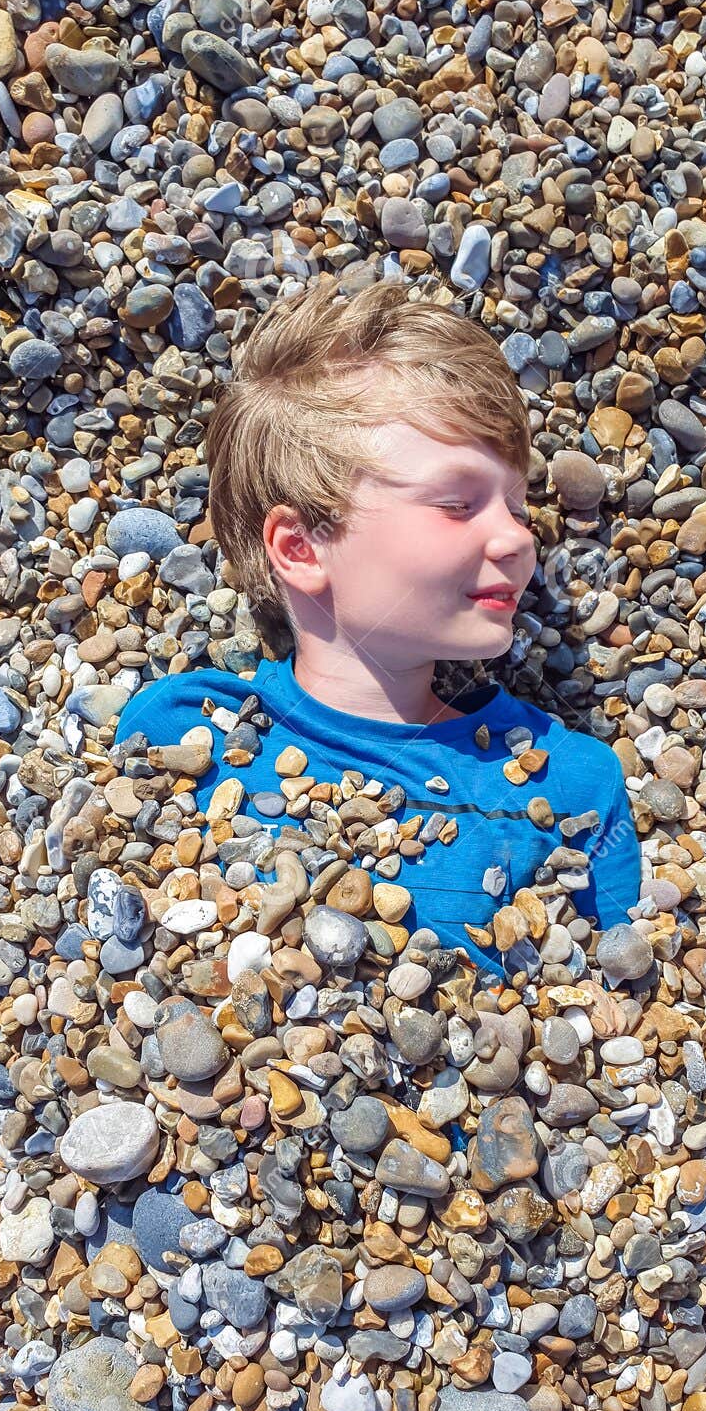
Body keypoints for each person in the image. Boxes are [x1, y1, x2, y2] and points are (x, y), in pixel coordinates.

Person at [112, 274, 644, 981]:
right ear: (301, 549)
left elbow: (630, 1016)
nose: (518, 540)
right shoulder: (182, 735)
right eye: (458, 503)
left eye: (516, 507)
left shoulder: (575, 782)